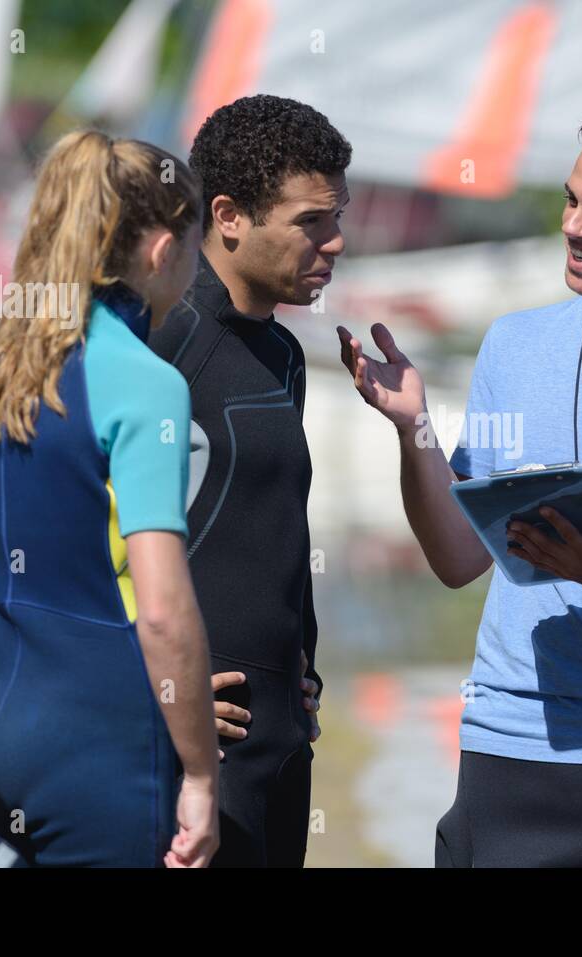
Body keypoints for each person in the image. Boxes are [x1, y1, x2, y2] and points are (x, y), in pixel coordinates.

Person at [338, 105, 582, 866]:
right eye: (571, 199)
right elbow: (457, 558)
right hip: (508, 748)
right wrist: (412, 427)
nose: (574, 226)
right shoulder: (515, 345)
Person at [0, 130, 220, 867]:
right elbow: (160, 612)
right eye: (194, 244)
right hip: (97, 755)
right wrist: (204, 773)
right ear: (160, 250)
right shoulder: (146, 383)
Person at [148, 94, 349, 867]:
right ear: (228, 215)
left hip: (278, 748)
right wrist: (151, 679)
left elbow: (270, 537)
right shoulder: (166, 341)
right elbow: (78, 529)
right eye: (311, 221)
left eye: (339, 217)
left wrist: (302, 668)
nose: (335, 242)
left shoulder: (286, 357)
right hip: (190, 743)